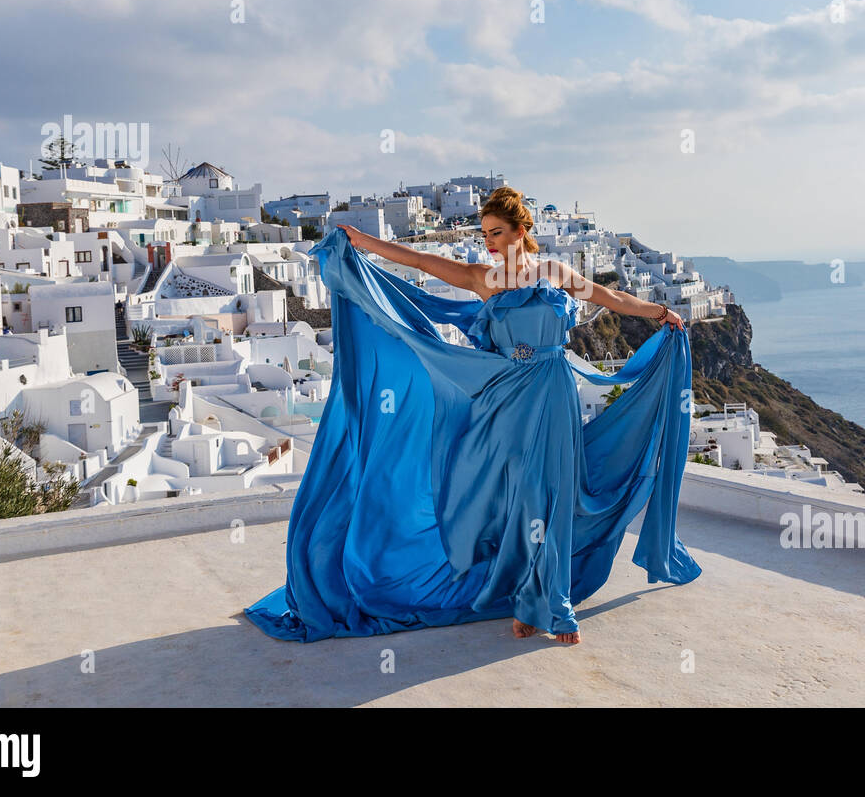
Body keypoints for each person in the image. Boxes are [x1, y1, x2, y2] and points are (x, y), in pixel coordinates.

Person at [244, 186, 702, 645]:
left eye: (498, 232)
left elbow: (609, 297)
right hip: (508, 400)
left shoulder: (554, 272)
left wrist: (660, 311)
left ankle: (550, 600)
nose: (490, 242)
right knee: (521, 498)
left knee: (557, 494)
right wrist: (364, 242)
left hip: (555, 391)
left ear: (523, 231)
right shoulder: (483, 278)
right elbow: (421, 262)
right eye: (485, 234)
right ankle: (525, 598)